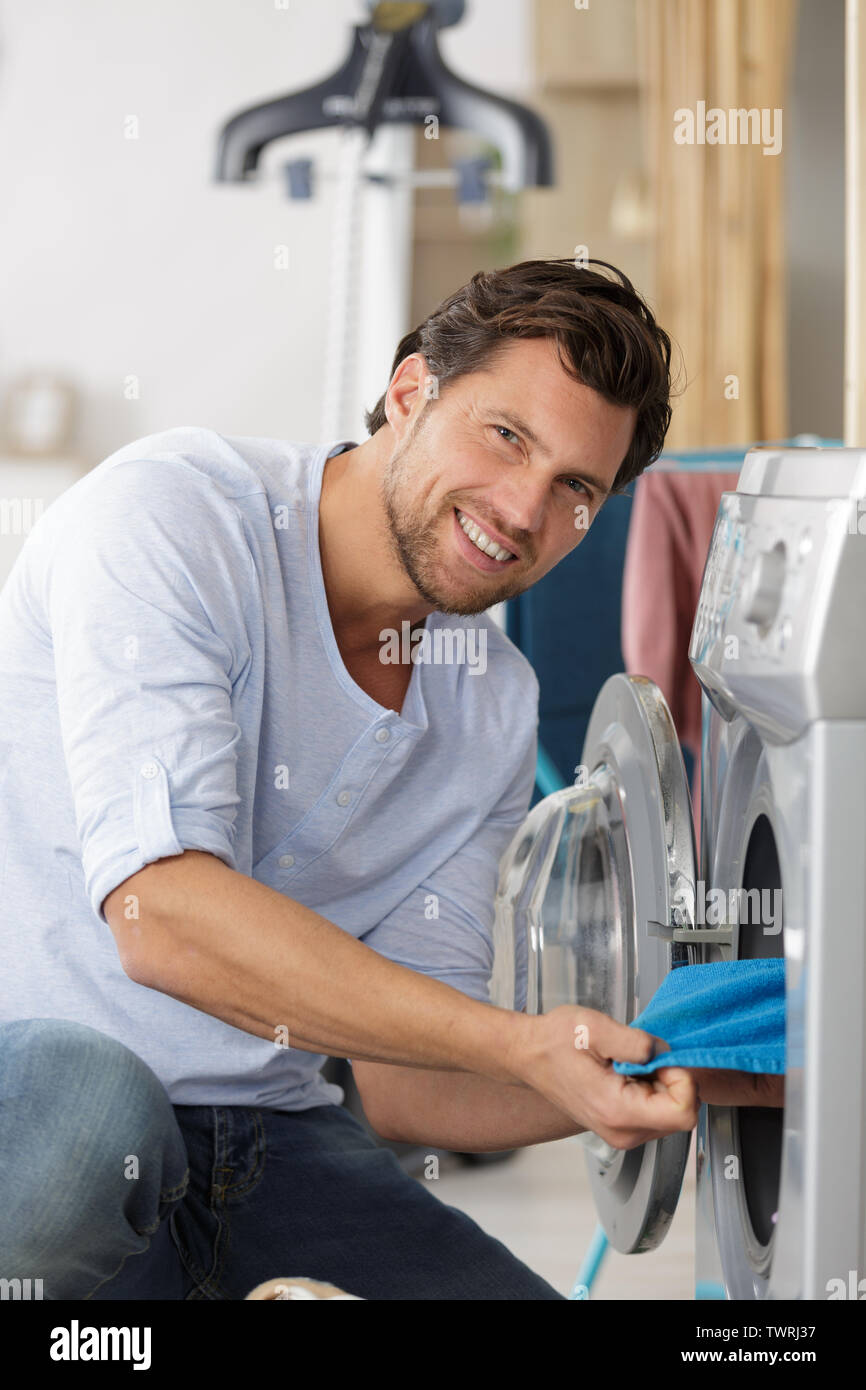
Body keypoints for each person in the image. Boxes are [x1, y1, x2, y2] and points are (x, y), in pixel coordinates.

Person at [0, 258, 779, 1301]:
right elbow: (161, 912)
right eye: (506, 436)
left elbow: (414, 1086)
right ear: (411, 388)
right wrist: (515, 1040)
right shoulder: (174, 518)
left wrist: (695, 1065)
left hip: (268, 1147)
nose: (519, 509)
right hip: (41, 1114)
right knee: (89, 1110)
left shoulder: (485, 705)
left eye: (574, 490)